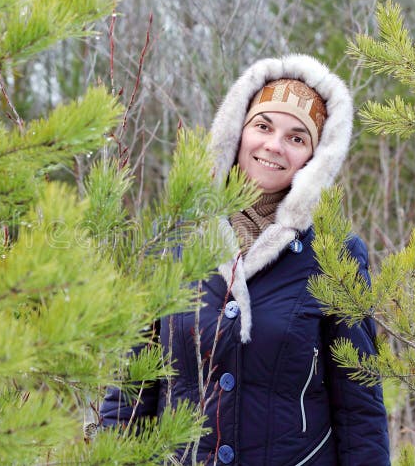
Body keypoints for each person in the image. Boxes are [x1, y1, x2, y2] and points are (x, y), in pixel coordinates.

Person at [101, 56, 390, 465]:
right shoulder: (176, 240)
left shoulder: (333, 255)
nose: (274, 146)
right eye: (263, 126)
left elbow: (360, 408)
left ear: (315, 157)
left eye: (296, 137)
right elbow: (133, 387)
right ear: (237, 130)